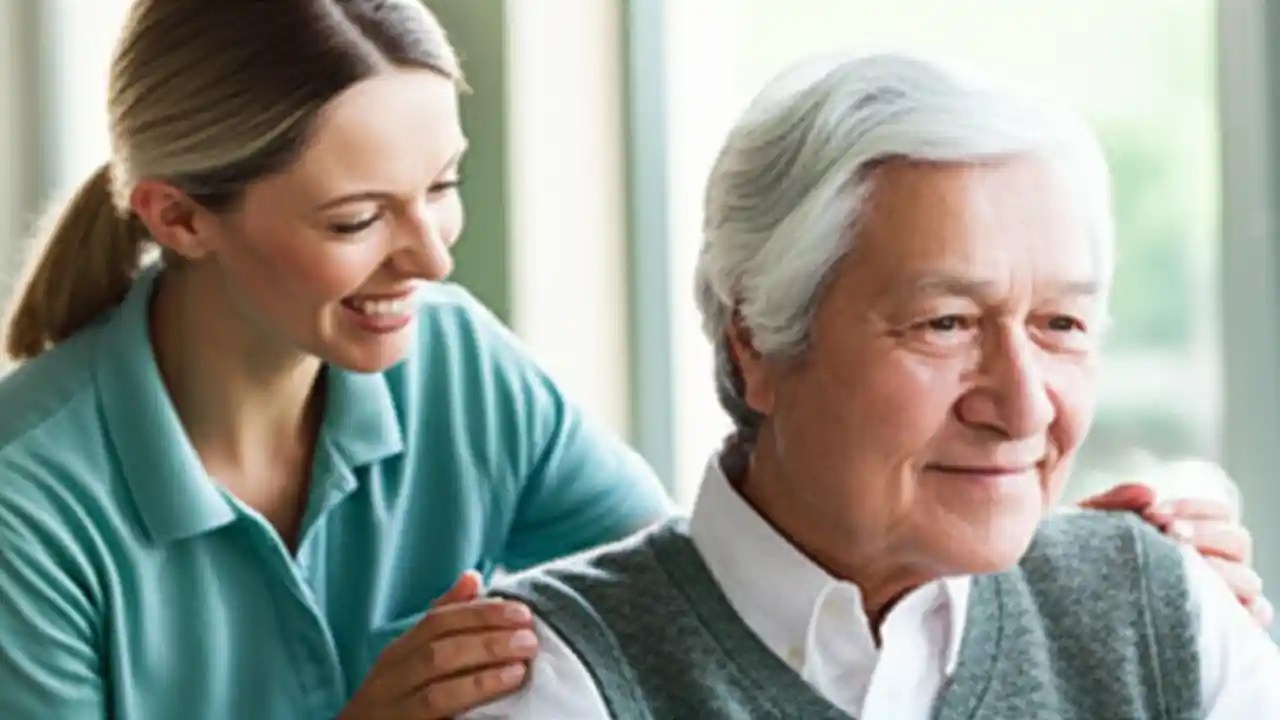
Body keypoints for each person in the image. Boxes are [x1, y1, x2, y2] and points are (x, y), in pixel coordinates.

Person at [0, 3, 1262, 718]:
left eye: (443, 187)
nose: (433, 256)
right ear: (176, 218)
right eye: (354, 218)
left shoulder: (451, 369)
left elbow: (722, 576)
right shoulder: (31, 503)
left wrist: (1058, 550)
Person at [468, 53, 1280, 719]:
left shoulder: (1158, 610)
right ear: (756, 342)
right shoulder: (552, 681)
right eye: (946, 324)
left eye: (1059, 325)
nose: (1024, 406)